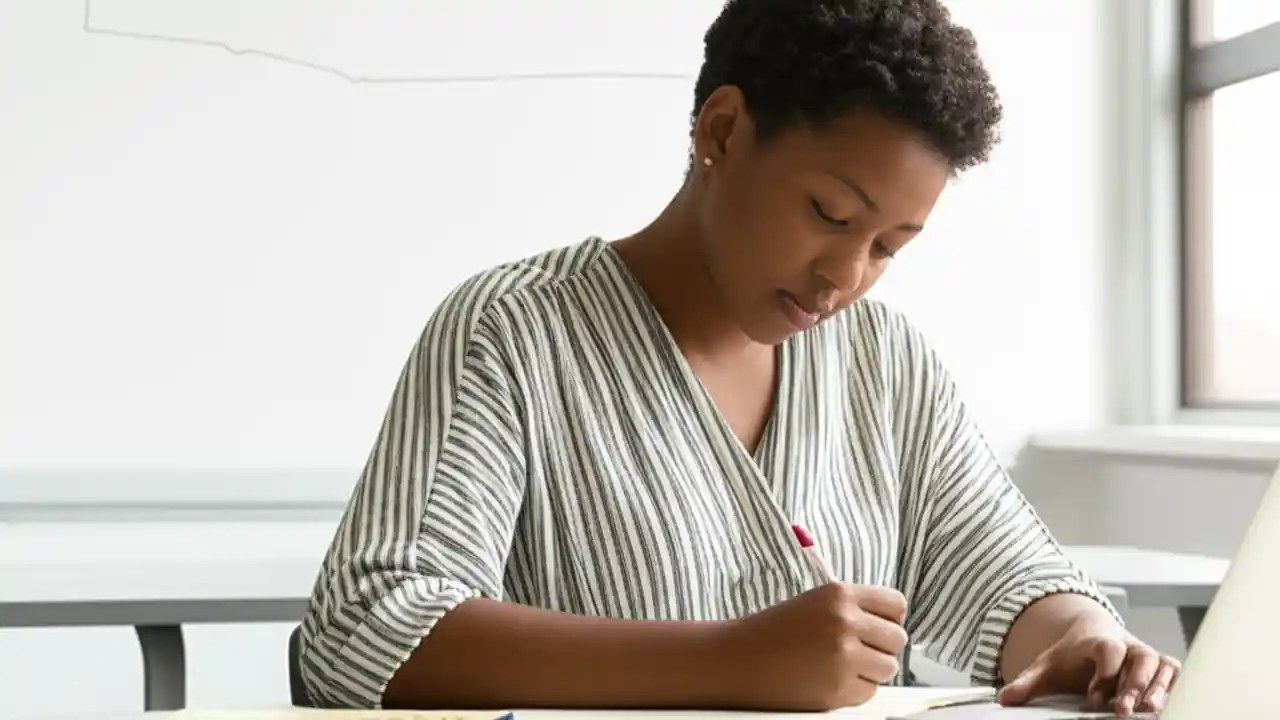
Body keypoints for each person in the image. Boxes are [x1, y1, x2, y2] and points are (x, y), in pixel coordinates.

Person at [298, 0, 1180, 714]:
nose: (846, 275)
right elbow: (366, 629)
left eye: (889, 247)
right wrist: (732, 660)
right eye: (832, 215)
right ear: (721, 131)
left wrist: (1082, 639)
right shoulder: (514, 332)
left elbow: (1009, 575)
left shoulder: (885, 364)